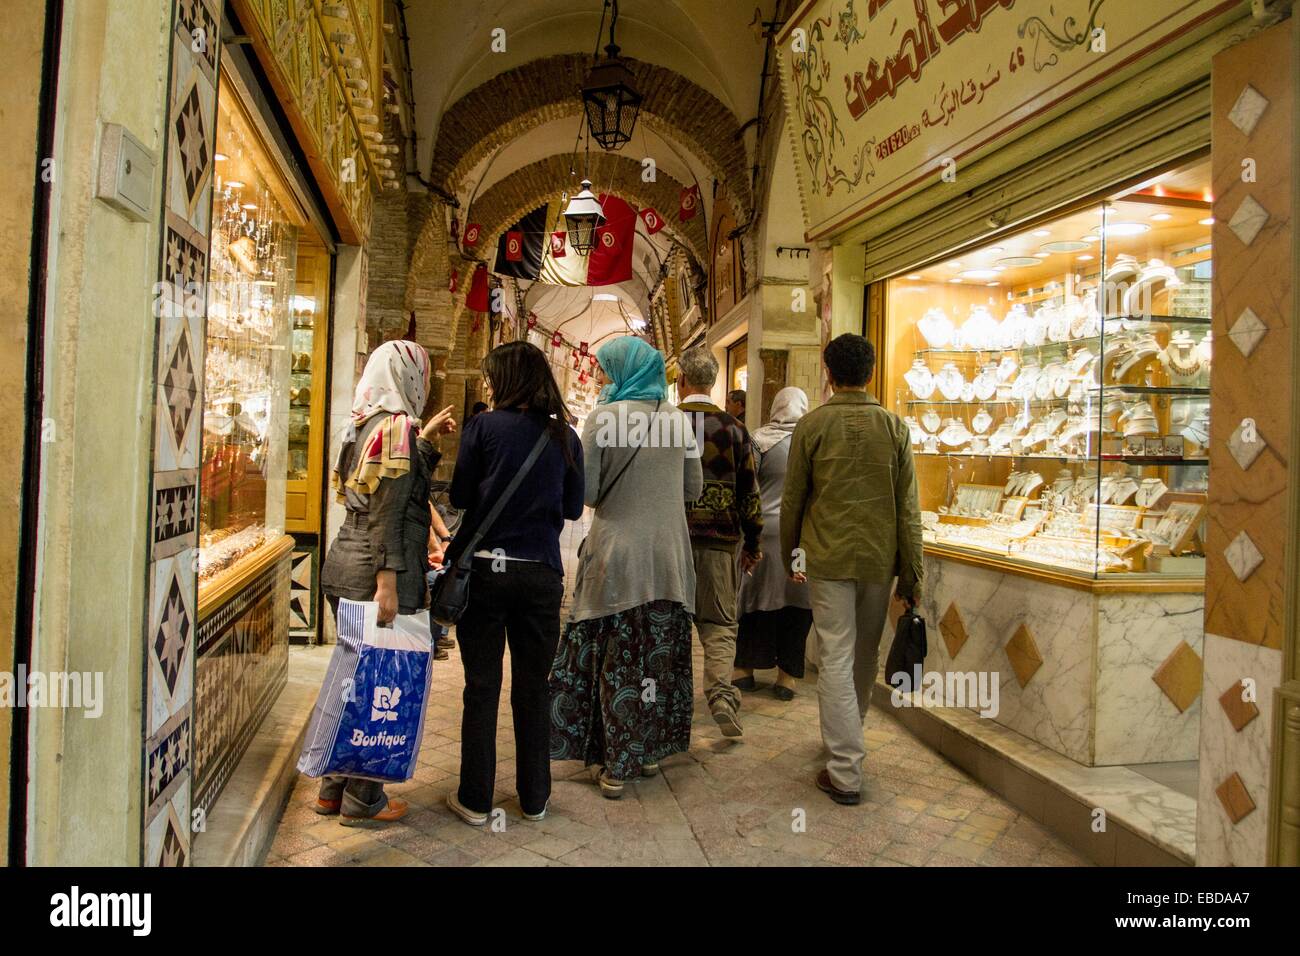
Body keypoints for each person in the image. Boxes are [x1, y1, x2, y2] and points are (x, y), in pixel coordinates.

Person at [550, 336, 703, 799]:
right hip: (670, 563)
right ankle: (648, 751)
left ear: (621, 371)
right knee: (656, 661)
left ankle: (616, 766)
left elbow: (590, 493)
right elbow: (692, 489)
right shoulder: (678, 421)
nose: (600, 377)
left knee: (617, 662)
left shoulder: (602, 419)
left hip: (617, 562)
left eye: (604, 368)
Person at [444, 341, 584, 826]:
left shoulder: (482, 427)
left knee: (481, 686)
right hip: (541, 574)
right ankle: (534, 798)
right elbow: (570, 508)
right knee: (534, 687)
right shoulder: (566, 437)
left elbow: (461, 494)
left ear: (506, 380)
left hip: (485, 573)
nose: (487, 385)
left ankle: (476, 800)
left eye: (490, 377)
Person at [318, 340, 456, 826]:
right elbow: (389, 515)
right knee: (378, 685)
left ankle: (333, 788)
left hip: (342, 566)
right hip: (376, 578)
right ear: (408, 377)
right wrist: (389, 585)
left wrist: (425, 440)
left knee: (351, 682)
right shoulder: (397, 430)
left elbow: (382, 493)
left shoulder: (361, 424)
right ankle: (363, 799)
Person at [781, 334, 922, 806]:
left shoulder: (813, 425)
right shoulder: (895, 428)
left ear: (828, 371)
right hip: (879, 560)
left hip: (827, 557)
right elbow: (909, 509)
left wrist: (791, 557)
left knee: (836, 654)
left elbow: (794, 502)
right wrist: (913, 573)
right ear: (871, 371)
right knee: (864, 653)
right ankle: (847, 744)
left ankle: (844, 766)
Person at [677, 347, 762, 737]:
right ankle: (722, 696)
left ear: (681, 381)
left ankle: (668, 705)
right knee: (719, 624)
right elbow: (749, 491)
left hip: (671, 544)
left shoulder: (666, 424)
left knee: (671, 625)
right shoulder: (734, 429)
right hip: (720, 542)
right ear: (713, 384)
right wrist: (753, 542)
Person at [734, 386, 812, 702]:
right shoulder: (812, 442)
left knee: (754, 600)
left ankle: (744, 671)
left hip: (763, 535)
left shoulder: (758, 440)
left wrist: (745, 537)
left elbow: (746, 491)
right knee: (797, 603)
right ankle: (787, 677)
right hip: (800, 541)